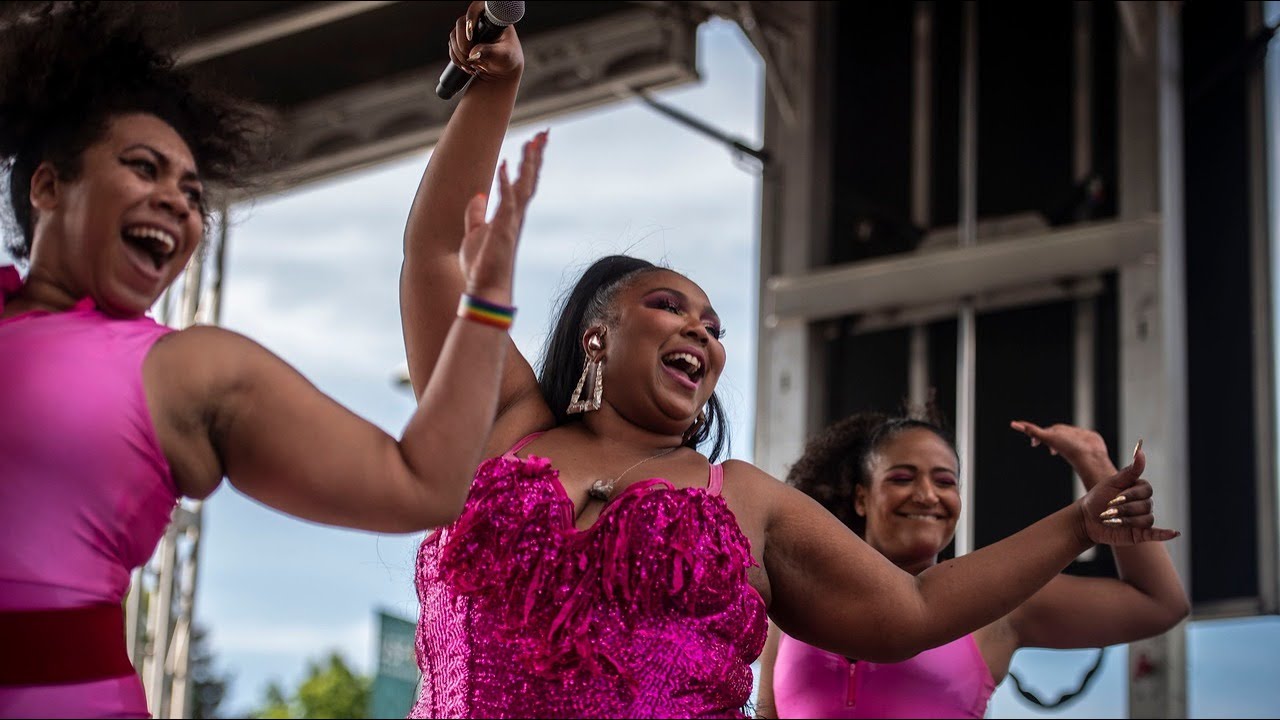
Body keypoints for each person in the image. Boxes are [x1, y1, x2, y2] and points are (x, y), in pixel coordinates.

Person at [400, 4, 1179, 718]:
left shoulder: (744, 499)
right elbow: (435, 253)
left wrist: (1081, 523)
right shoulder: (505, 423)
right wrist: (497, 87)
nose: (703, 332)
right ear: (595, 336)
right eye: (670, 307)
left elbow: (913, 612)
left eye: (715, 327)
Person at [0, 3, 545, 717]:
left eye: (192, 194)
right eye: (144, 169)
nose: (176, 203)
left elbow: (423, 484)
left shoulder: (188, 372)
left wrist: (486, 306)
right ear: (47, 187)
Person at [754, 414, 1190, 719]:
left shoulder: (997, 609)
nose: (927, 495)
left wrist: (1093, 462)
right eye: (902, 478)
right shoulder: (798, 596)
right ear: (862, 498)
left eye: (945, 481)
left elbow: (1159, 604)